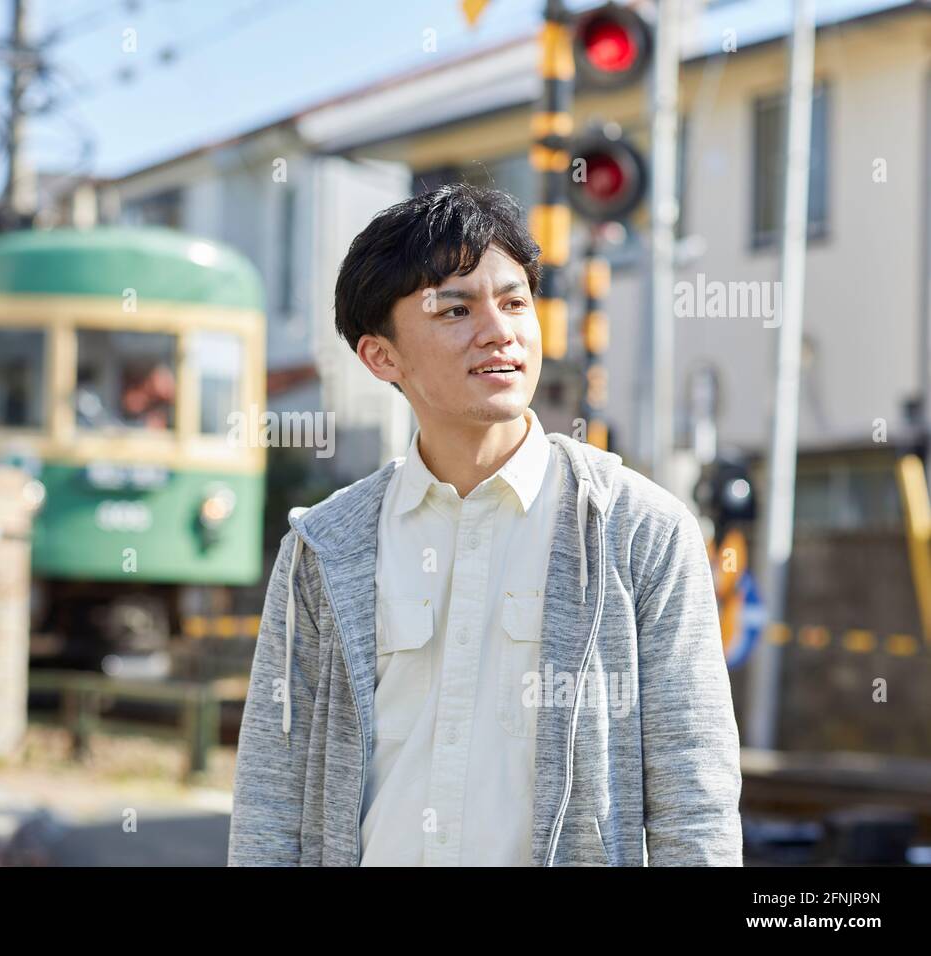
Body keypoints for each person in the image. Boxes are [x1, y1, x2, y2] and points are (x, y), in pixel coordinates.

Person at [227, 183, 742, 866]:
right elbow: (271, 794)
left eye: (514, 301)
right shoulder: (324, 548)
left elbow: (694, 800)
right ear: (382, 356)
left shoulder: (638, 532)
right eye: (456, 308)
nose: (499, 330)